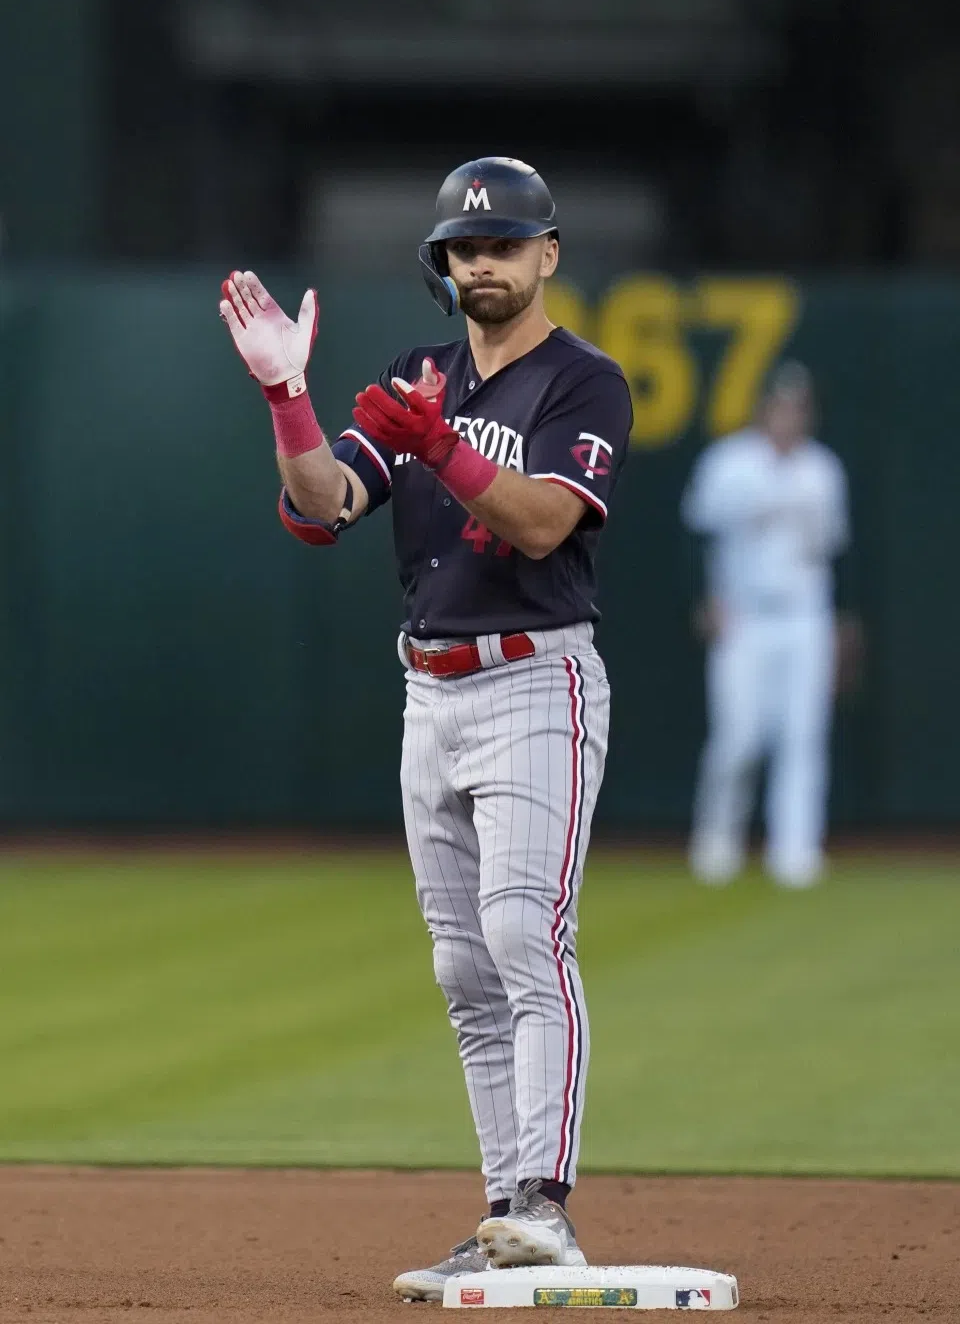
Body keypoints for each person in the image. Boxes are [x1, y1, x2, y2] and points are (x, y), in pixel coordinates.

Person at [219, 158, 633, 1301]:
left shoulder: (584, 382)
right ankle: (506, 1214)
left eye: (506, 243)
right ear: (442, 266)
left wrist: (442, 447)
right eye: (465, 247)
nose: (485, 263)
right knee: (462, 965)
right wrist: (286, 397)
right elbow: (324, 506)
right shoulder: (419, 373)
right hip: (430, 691)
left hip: (534, 681)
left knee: (520, 931)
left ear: (548, 254)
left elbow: (547, 526)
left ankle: (549, 1204)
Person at [680, 362, 852, 888]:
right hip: (745, 616)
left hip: (805, 615)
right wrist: (704, 599)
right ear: (763, 409)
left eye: (797, 407)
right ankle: (716, 843)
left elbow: (839, 554)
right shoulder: (729, 463)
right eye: (780, 405)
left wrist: (843, 623)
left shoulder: (823, 470)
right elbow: (694, 536)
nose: (788, 416)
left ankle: (795, 850)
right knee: (739, 735)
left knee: (804, 735)